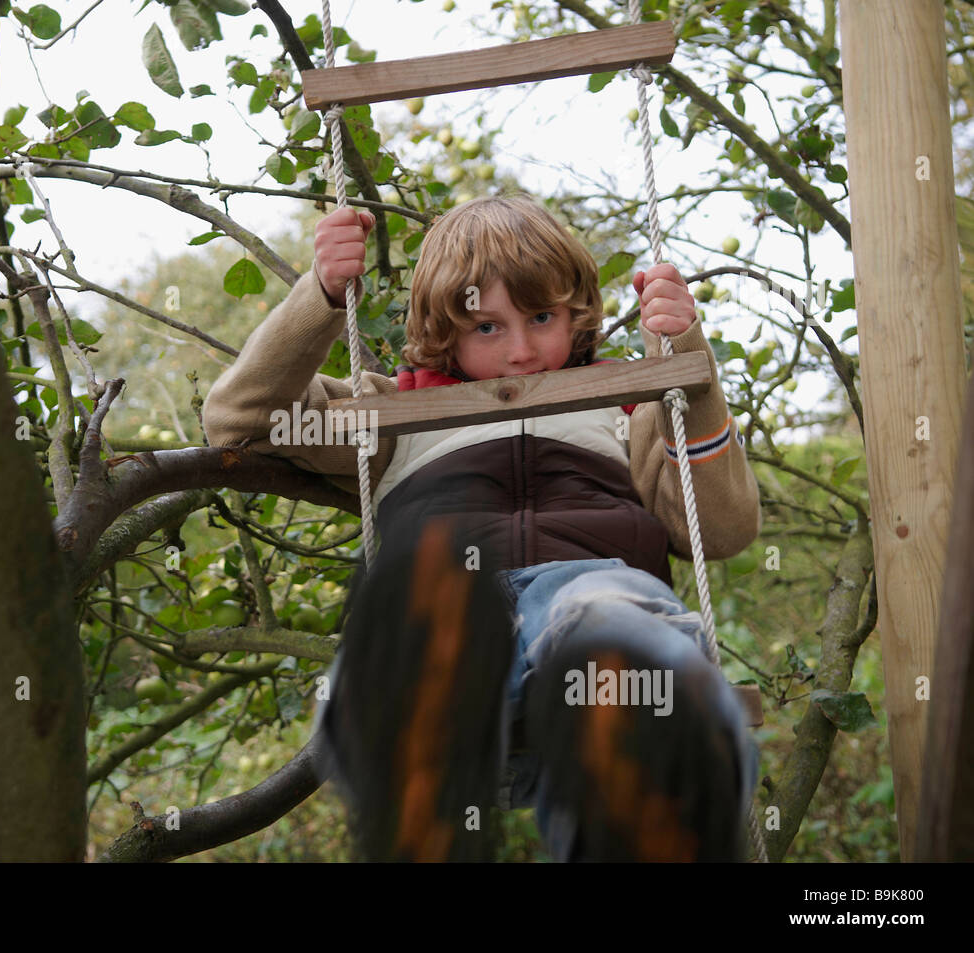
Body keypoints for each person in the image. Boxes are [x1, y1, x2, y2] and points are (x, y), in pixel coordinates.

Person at [202, 194, 761, 862]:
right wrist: (319, 294)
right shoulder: (394, 414)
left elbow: (723, 529)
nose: (522, 351)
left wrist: (686, 370)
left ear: (576, 311)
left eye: (541, 317)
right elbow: (240, 420)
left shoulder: (625, 406)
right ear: (444, 328)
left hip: (580, 638)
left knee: (612, 615)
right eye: (487, 327)